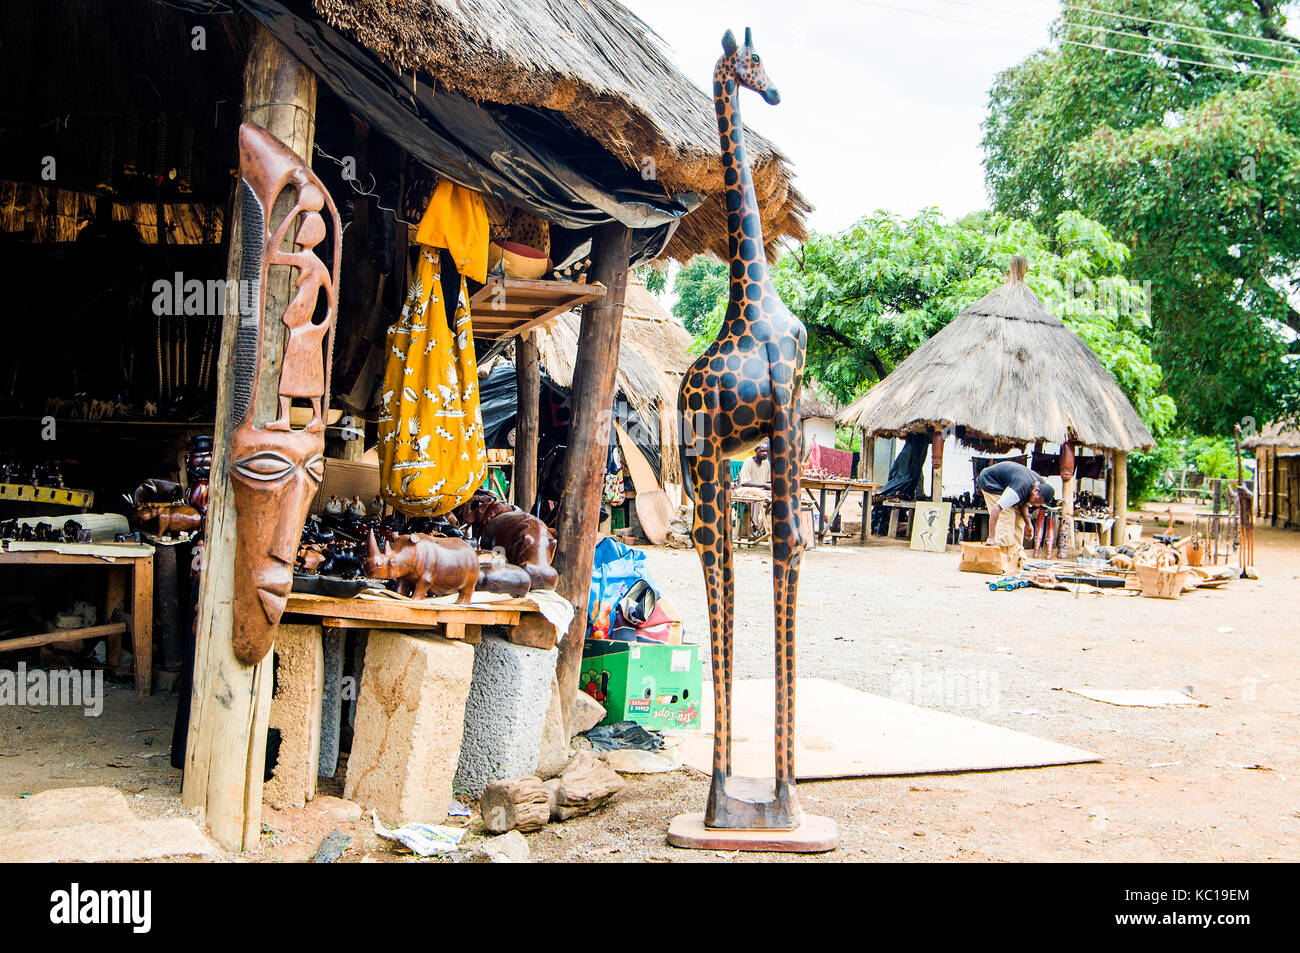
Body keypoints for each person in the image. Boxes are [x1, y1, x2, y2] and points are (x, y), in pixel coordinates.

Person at [976, 460, 1055, 550]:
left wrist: (1028, 524)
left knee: (1019, 519)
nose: (1036, 505)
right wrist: (991, 537)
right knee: (1006, 516)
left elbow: (1023, 506)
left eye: (1039, 504)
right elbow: (996, 508)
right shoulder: (1020, 487)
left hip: (1008, 484)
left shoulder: (1040, 486)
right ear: (1035, 491)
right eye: (1036, 501)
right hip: (990, 481)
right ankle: (1002, 551)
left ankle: (1015, 553)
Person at [735, 442, 771, 538]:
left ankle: (764, 527)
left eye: (767, 451)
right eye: (762, 451)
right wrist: (763, 485)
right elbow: (744, 483)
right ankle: (754, 526)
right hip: (747, 491)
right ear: (755, 451)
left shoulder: (766, 463)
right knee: (756, 498)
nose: (765, 453)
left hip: (762, 492)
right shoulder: (748, 462)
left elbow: (768, 481)